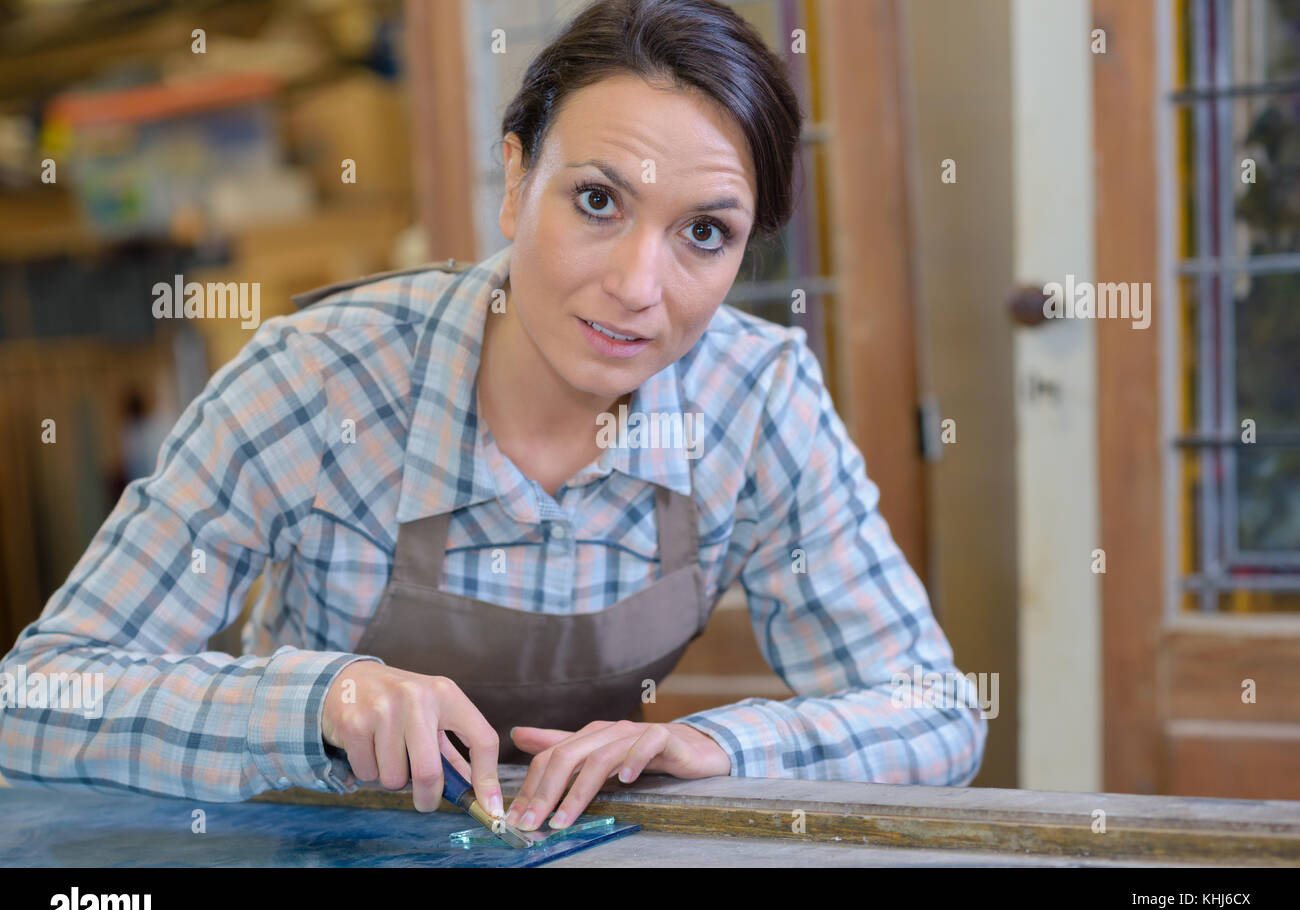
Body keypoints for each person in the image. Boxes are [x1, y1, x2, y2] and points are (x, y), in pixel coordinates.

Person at [0, 0, 985, 835]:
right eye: (597, 200)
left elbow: (937, 712)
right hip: (316, 850)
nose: (639, 286)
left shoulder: (756, 398)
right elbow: (36, 700)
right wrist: (314, 702)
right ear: (515, 182)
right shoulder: (314, 383)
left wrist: (720, 742)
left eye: (703, 233)